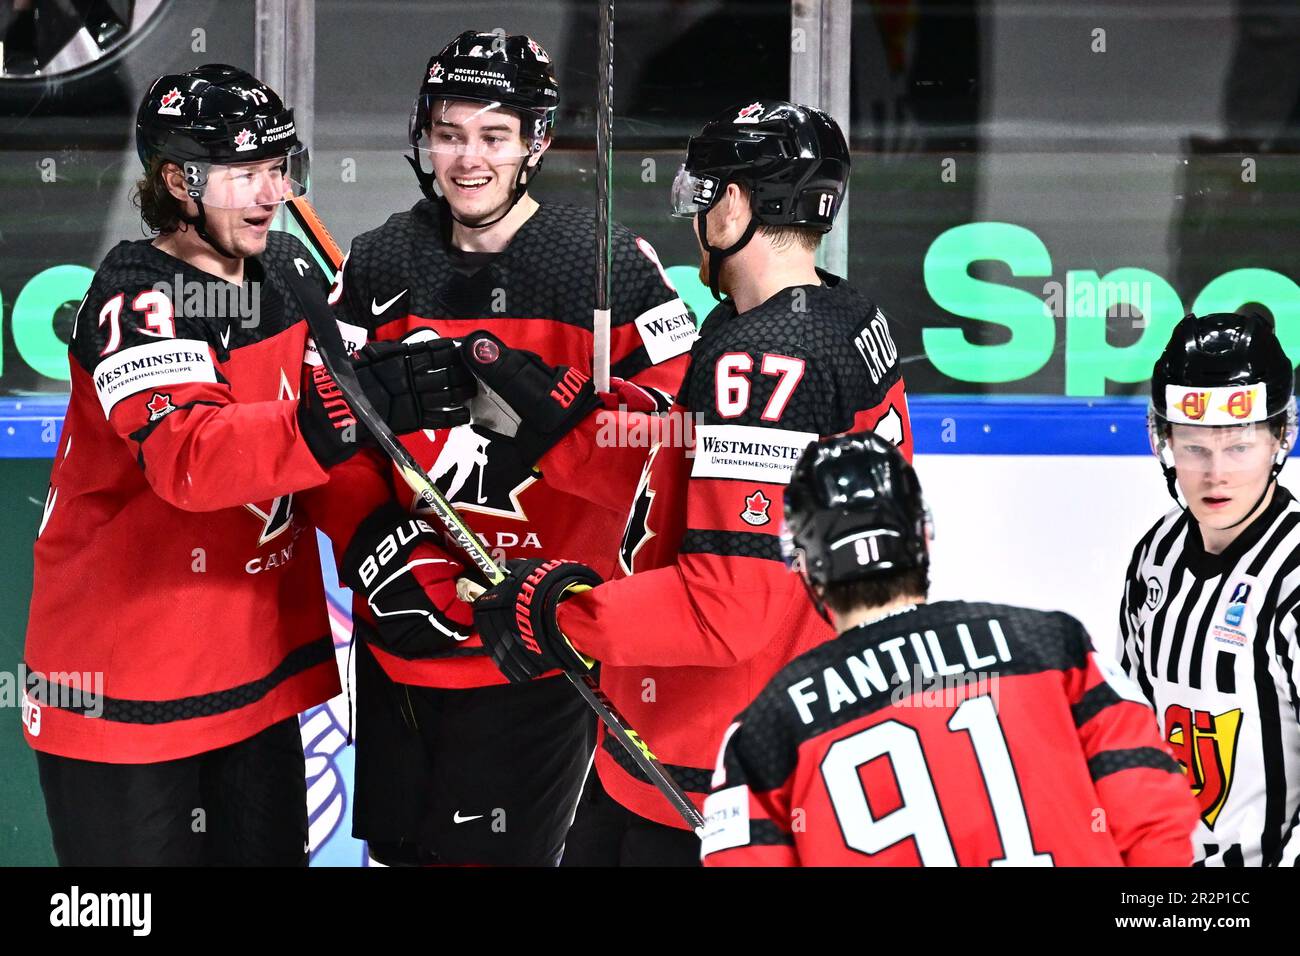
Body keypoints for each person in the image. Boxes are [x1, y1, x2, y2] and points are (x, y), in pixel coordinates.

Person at [23, 64, 467, 866]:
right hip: (123, 686)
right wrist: (361, 407)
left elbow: (338, 442)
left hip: (252, 679)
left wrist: (380, 543)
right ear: (175, 181)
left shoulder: (289, 274)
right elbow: (193, 461)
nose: (270, 194)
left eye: (277, 168)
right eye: (242, 174)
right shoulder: (136, 298)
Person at [471, 101, 913, 865]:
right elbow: (697, 471)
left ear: (736, 204)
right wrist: (563, 433)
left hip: (712, 771)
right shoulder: (842, 315)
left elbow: (729, 606)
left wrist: (562, 615)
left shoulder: (766, 357)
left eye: (703, 194)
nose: (696, 213)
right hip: (716, 746)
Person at [326, 31, 696, 866]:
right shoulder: (380, 259)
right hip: (404, 637)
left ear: (534, 142)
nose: (468, 159)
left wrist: (572, 417)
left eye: (493, 136)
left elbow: (679, 438)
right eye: (450, 133)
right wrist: (367, 539)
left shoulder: (607, 266)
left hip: (532, 639)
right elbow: (331, 433)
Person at [700, 431, 1199, 866]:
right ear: (923, 536)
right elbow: (1157, 818)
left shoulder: (767, 729)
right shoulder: (1054, 647)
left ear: (807, 568)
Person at [1118, 312, 1300, 866]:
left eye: (1239, 447)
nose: (1215, 473)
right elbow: (1132, 728)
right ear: (1166, 440)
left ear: (1277, 441)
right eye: (1195, 447)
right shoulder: (1155, 558)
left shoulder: (1294, 578)